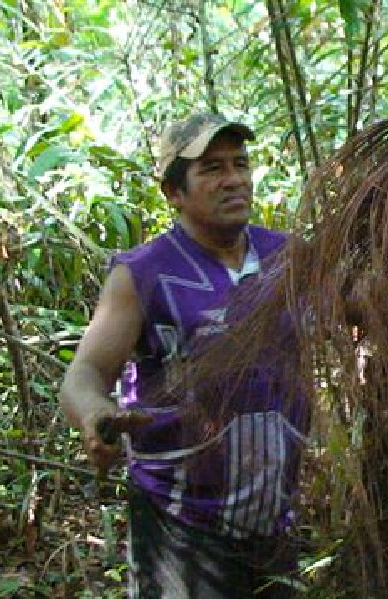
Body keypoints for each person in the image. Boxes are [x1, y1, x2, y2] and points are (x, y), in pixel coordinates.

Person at [59, 113, 308, 598]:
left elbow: (366, 303)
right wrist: (97, 415)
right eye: (212, 169)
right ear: (173, 193)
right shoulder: (143, 274)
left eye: (240, 164)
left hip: (274, 525)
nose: (234, 179)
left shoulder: (290, 257)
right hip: (181, 530)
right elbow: (84, 374)